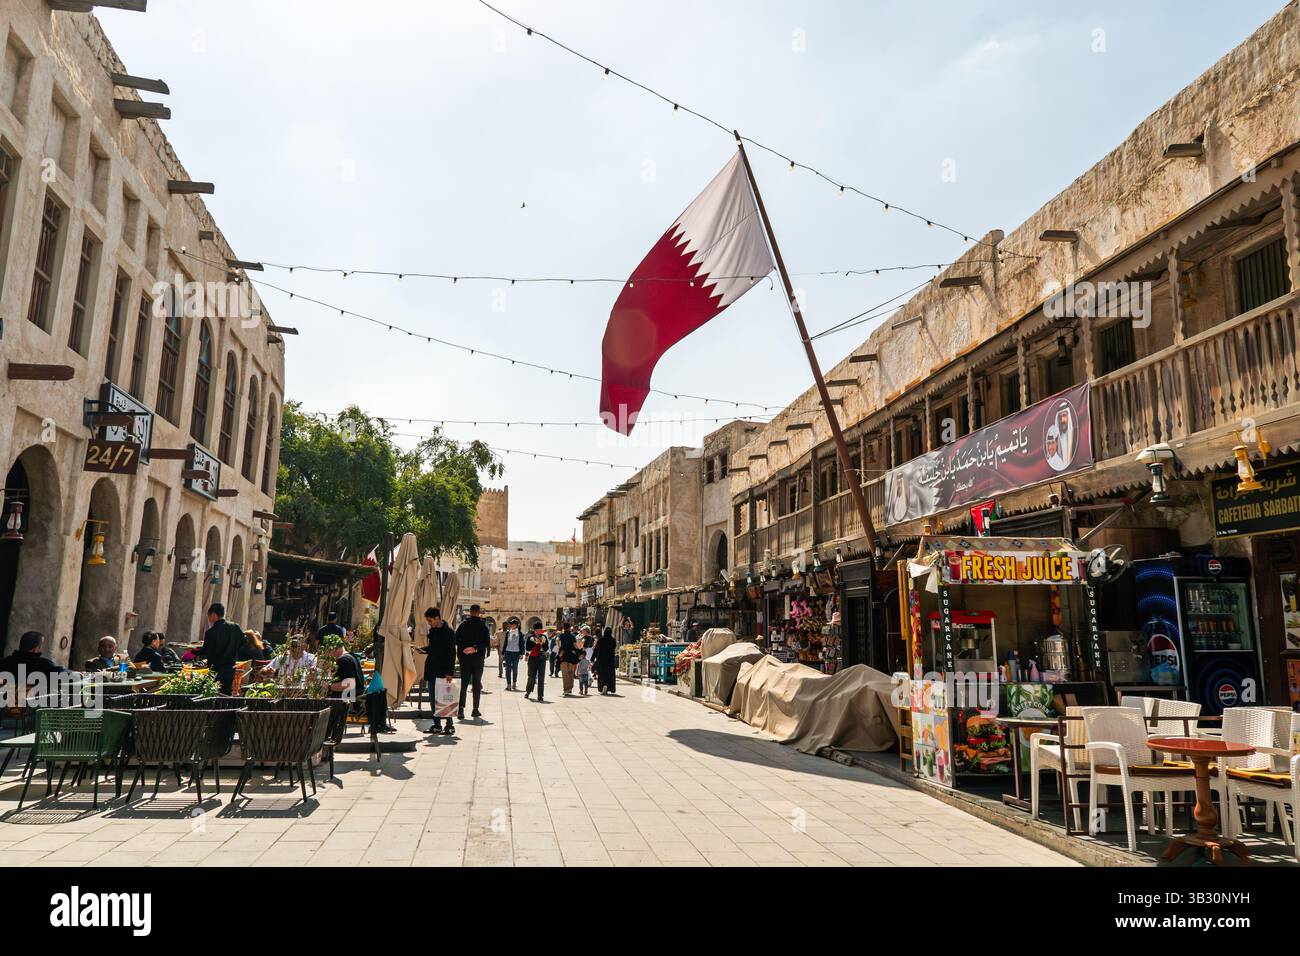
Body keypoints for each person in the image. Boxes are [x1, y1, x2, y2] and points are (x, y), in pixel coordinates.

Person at [422, 607, 457, 736]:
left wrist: (449, 672)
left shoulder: (449, 632)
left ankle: (449, 725)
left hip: (443, 670)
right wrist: (424, 649)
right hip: (432, 669)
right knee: (432, 699)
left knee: (445, 698)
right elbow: (434, 648)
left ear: (437, 618)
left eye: (430, 620)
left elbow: (451, 653)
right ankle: (437, 725)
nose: (429, 623)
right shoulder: (433, 631)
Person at [200, 602, 245, 695]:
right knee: (226, 692)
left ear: (213, 615)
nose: (209, 619)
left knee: (212, 692)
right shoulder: (235, 627)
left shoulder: (211, 632)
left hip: (216, 668)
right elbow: (244, 641)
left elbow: (205, 651)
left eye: (209, 616)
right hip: (230, 666)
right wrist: (234, 650)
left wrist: (192, 652)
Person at [455, 603, 490, 719]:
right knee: (476, 683)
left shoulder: (463, 625)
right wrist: (474, 648)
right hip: (478, 659)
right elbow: (486, 643)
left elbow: (456, 639)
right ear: (479, 612)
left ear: (470, 612)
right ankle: (475, 709)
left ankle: (461, 709)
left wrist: (465, 648)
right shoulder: (483, 626)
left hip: (465, 658)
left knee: (464, 683)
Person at [0, 631, 69, 679]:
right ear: (35, 649)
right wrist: (77, 674)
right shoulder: (42, 664)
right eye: (40, 646)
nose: (41, 650)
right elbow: (62, 673)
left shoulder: (4, 663)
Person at [524, 622, 548, 702]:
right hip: (533, 658)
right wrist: (535, 643)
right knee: (531, 677)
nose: (538, 631)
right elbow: (527, 648)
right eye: (536, 630)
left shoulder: (544, 637)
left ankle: (540, 695)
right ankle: (528, 691)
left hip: (542, 658)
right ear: (534, 630)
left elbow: (546, 648)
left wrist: (542, 643)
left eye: (539, 630)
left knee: (541, 677)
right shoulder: (530, 638)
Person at [501, 619, 525, 691]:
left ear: (516, 625)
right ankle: (508, 684)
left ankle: (514, 682)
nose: (511, 625)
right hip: (508, 651)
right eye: (510, 624)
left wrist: (522, 653)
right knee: (508, 668)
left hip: (516, 652)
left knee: (515, 668)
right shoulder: (508, 633)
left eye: (512, 624)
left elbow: (522, 644)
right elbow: (505, 643)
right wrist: (503, 652)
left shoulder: (520, 633)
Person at [558, 623, 580, 697]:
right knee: (571, 672)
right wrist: (579, 651)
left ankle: (566, 689)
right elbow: (575, 645)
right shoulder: (572, 636)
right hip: (571, 656)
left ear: (563, 628)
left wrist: (560, 648)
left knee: (565, 674)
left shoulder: (561, 635)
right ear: (569, 628)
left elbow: (557, 641)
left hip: (563, 656)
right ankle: (570, 688)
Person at [594, 626, 617, 695]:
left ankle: (603, 686)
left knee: (602, 674)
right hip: (610, 660)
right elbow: (614, 647)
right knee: (609, 674)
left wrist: (592, 659)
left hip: (601, 659)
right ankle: (608, 686)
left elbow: (596, 649)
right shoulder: (613, 640)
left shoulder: (601, 640)